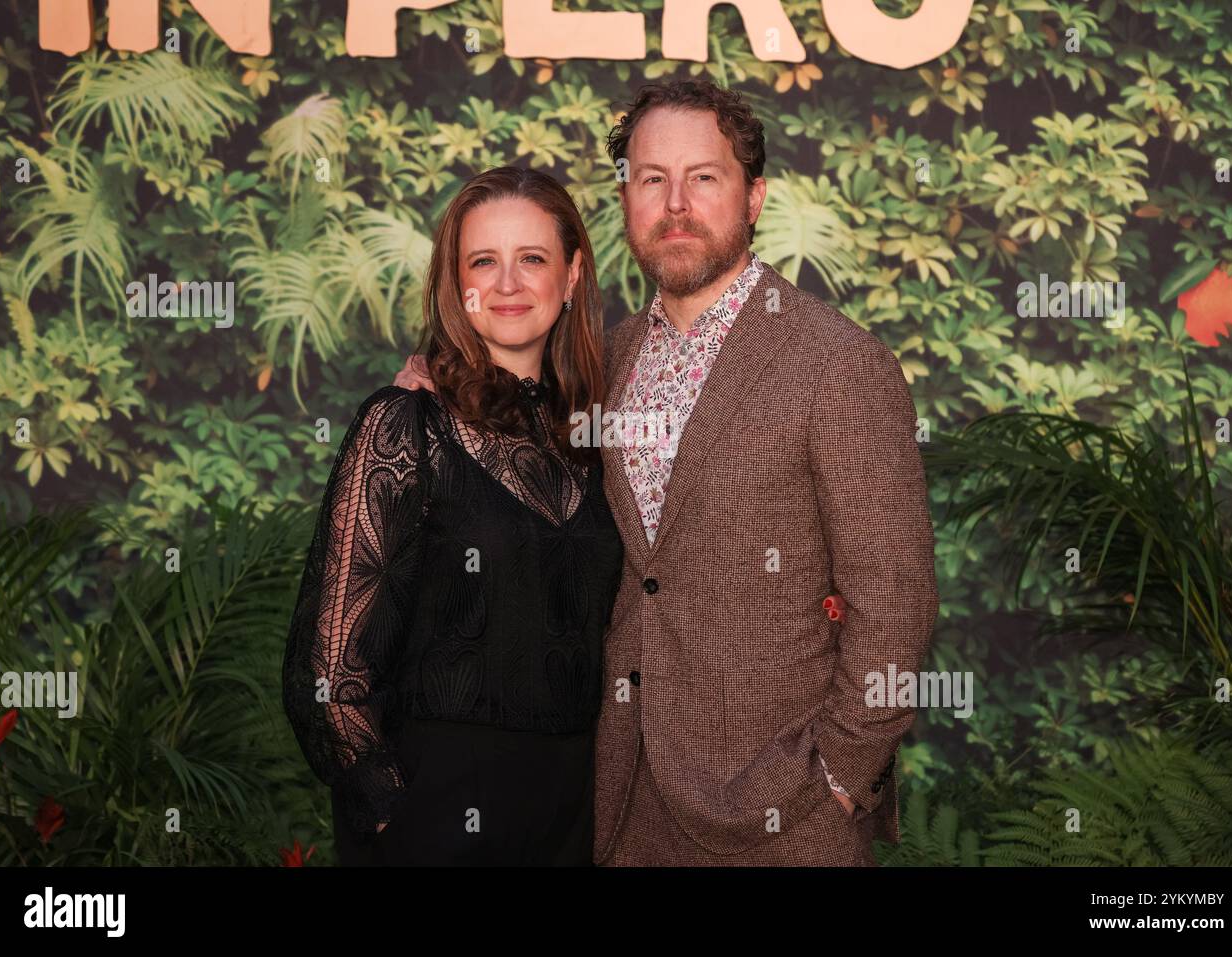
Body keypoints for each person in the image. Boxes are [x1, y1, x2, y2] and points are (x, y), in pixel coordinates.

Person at [396, 79, 938, 867]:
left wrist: (838, 781)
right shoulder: (602, 361)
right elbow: (508, 442)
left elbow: (896, 598)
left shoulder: (839, 365)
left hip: (784, 816)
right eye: (652, 179)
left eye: (704, 178)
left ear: (754, 197)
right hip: (622, 804)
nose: (675, 203)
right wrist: (438, 388)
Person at [281, 166, 625, 865]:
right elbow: (330, 670)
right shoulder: (406, 423)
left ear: (572, 274)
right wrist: (392, 811)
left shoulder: (594, 438)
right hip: (435, 814)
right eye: (482, 262)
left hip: (573, 816)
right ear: (454, 282)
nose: (507, 283)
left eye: (532, 258)